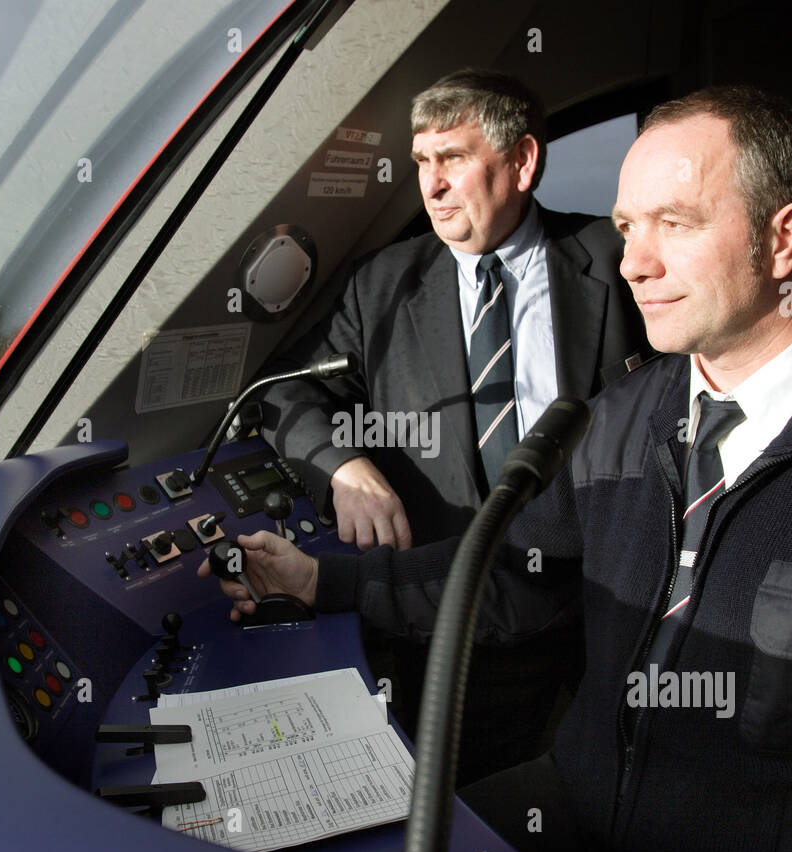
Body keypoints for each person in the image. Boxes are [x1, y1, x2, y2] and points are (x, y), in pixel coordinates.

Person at [206, 85, 792, 852]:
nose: (633, 264)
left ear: (784, 237)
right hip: (580, 806)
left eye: (673, 224)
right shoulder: (618, 420)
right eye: (627, 227)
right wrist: (328, 581)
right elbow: (507, 574)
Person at [256, 69, 648, 783]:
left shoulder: (618, 263)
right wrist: (343, 466)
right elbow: (282, 395)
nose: (430, 187)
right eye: (421, 163)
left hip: (611, 607)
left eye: (454, 159)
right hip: (459, 620)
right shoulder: (383, 284)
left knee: (620, 794)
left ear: (523, 162)